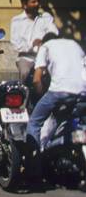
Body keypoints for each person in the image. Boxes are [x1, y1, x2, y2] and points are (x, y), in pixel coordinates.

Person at [25, 31, 86, 172]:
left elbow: (36, 79)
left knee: (34, 122)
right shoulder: (74, 44)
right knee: (68, 121)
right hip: (83, 92)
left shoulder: (45, 46)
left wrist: (42, 97)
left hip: (59, 92)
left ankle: (31, 164)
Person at [10, 0, 58, 80]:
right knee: (25, 72)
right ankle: (25, 93)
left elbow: (54, 34)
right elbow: (15, 44)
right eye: (33, 2)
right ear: (24, 4)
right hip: (26, 57)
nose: (37, 4)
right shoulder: (16, 21)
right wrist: (32, 45)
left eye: (38, 1)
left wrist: (43, 43)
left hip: (45, 56)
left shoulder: (46, 18)